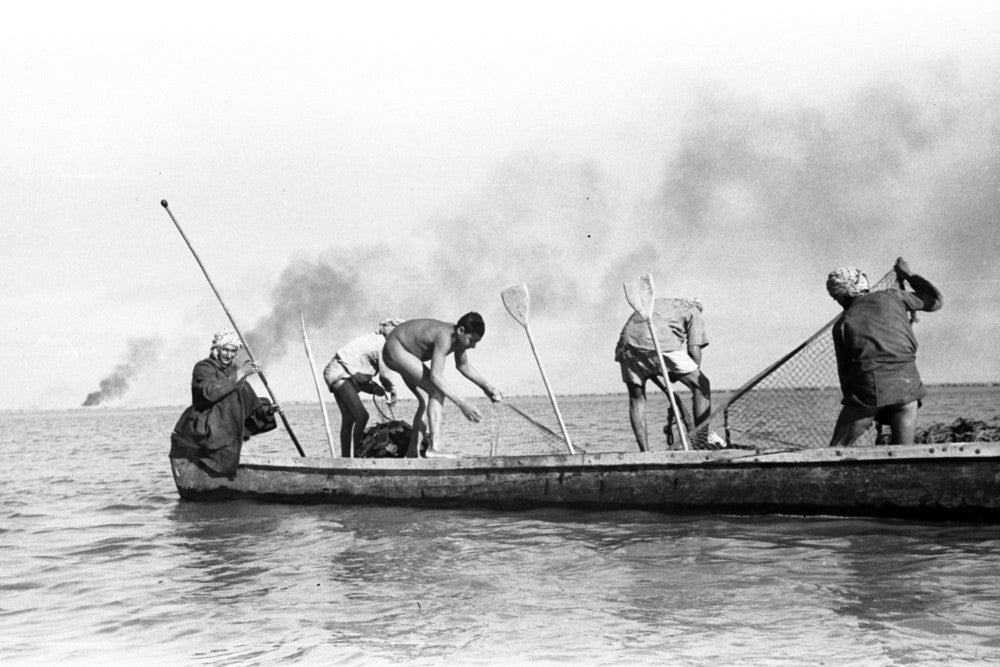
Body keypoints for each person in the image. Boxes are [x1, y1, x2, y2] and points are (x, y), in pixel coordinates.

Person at [827, 257, 942, 447]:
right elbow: (936, 301)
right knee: (903, 454)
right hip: (908, 385)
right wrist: (909, 275)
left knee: (837, 449)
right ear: (864, 284)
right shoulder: (893, 296)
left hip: (868, 392)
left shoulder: (842, 324)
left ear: (838, 296)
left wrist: (859, 406)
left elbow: (845, 373)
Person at [382, 312, 503, 458]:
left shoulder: (459, 341)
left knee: (427, 400)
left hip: (405, 352)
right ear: (461, 330)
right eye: (471, 340)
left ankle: (412, 454)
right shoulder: (444, 336)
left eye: (476, 342)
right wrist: (463, 404)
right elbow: (435, 376)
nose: (473, 346)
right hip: (396, 347)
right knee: (437, 392)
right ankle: (435, 448)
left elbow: (463, 365)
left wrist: (487, 388)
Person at [169, 329, 279, 477]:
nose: (229, 355)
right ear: (216, 349)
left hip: (224, 423)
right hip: (205, 423)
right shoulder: (203, 367)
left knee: (246, 390)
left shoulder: (233, 369)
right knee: (234, 390)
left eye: (233, 351)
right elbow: (210, 392)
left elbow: (245, 396)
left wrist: (267, 410)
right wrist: (241, 373)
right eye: (225, 350)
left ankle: (233, 453)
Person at [615, 297, 719, 451]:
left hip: (627, 345)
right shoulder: (694, 311)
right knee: (702, 385)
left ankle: (645, 453)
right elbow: (694, 350)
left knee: (637, 399)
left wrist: (669, 372)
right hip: (660, 342)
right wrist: (690, 377)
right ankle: (702, 443)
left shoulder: (661, 302)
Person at [324, 318, 404, 457]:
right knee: (362, 416)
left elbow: (356, 372)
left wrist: (373, 388)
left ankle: (345, 459)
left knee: (349, 418)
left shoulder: (375, 339)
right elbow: (385, 376)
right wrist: (393, 392)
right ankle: (357, 457)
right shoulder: (383, 344)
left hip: (335, 370)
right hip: (339, 372)